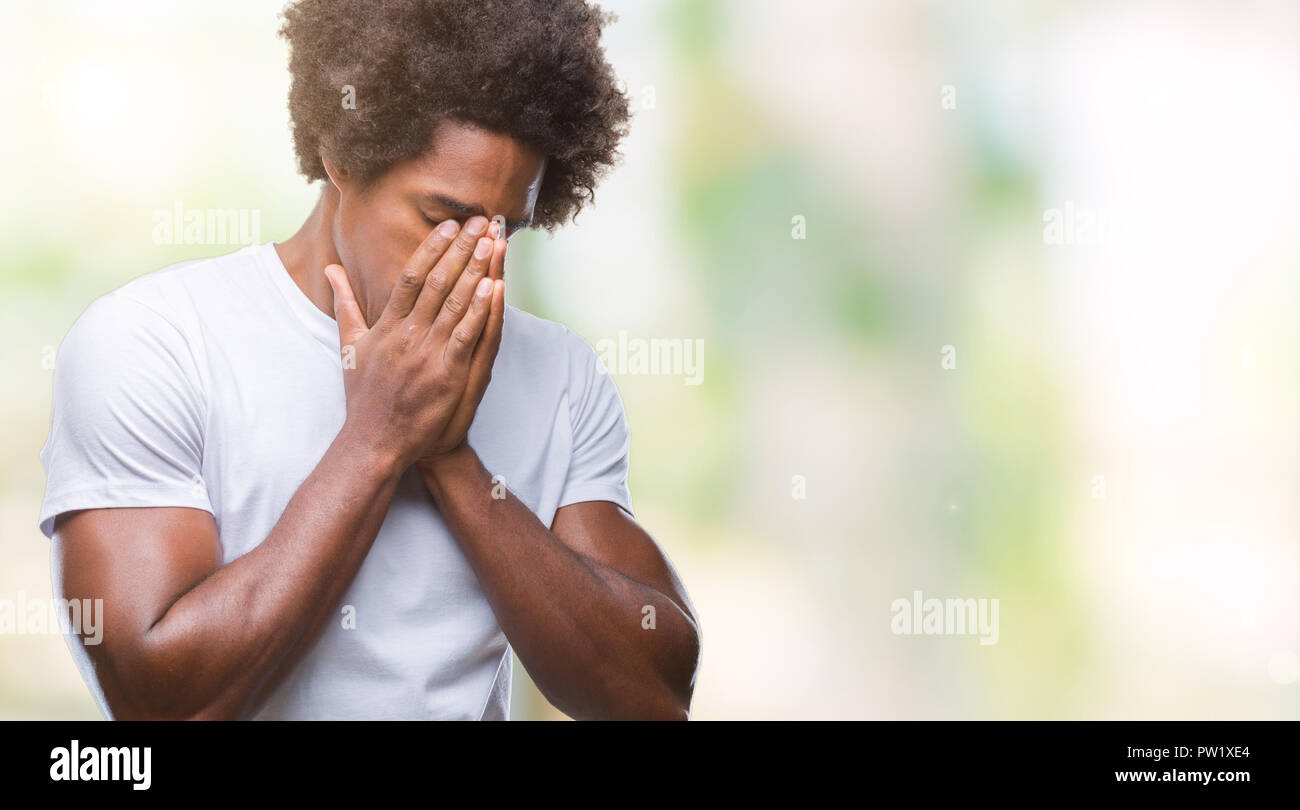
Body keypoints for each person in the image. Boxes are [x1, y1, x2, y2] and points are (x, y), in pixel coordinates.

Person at [37, 0, 700, 720]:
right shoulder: (152, 343)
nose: (479, 262)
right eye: (443, 219)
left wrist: (450, 457)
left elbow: (653, 695)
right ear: (343, 157)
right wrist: (378, 437)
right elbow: (163, 703)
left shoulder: (561, 376)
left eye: (506, 229)